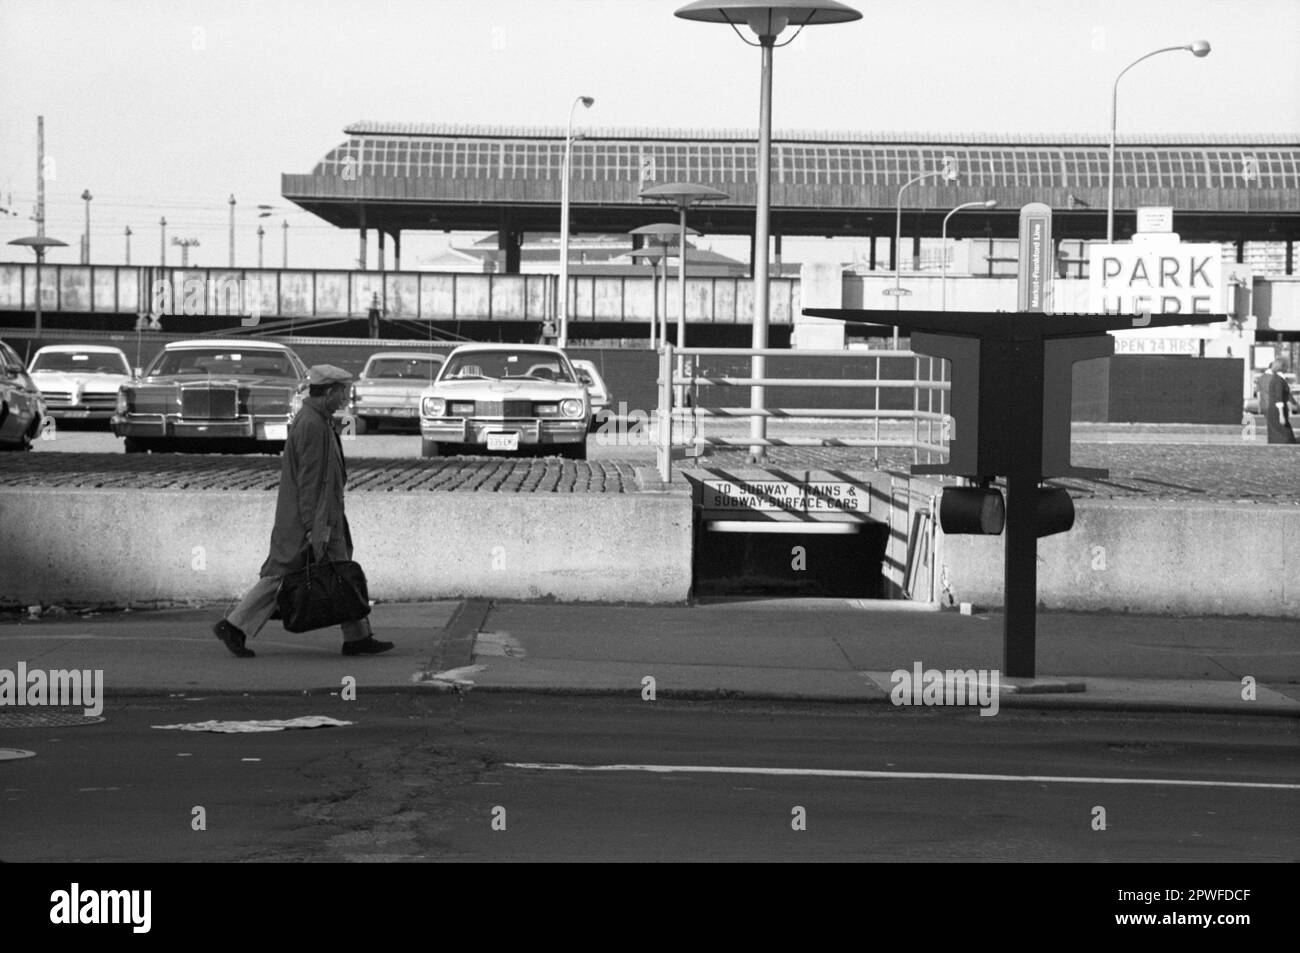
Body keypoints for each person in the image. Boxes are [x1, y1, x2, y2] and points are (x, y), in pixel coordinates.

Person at [213, 364, 393, 657]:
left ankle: (358, 636)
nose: (346, 398)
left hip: (324, 515)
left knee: (340, 572)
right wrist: (313, 527)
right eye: (343, 392)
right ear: (330, 392)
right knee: (284, 576)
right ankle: (234, 625)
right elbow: (311, 482)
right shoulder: (312, 424)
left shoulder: (317, 420)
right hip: (314, 519)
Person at [1261, 358, 1298, 445]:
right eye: (1286, 365)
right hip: (1277, 411)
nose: (1288, 367)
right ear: (1282, 367)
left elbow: (1287, 394)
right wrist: (1281, 415)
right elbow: (1279, 398)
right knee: (1286, 436)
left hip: (1278, 410)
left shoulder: (1279, 379)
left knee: (1283, 436)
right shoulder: (1278, 380)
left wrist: (1296, 404)